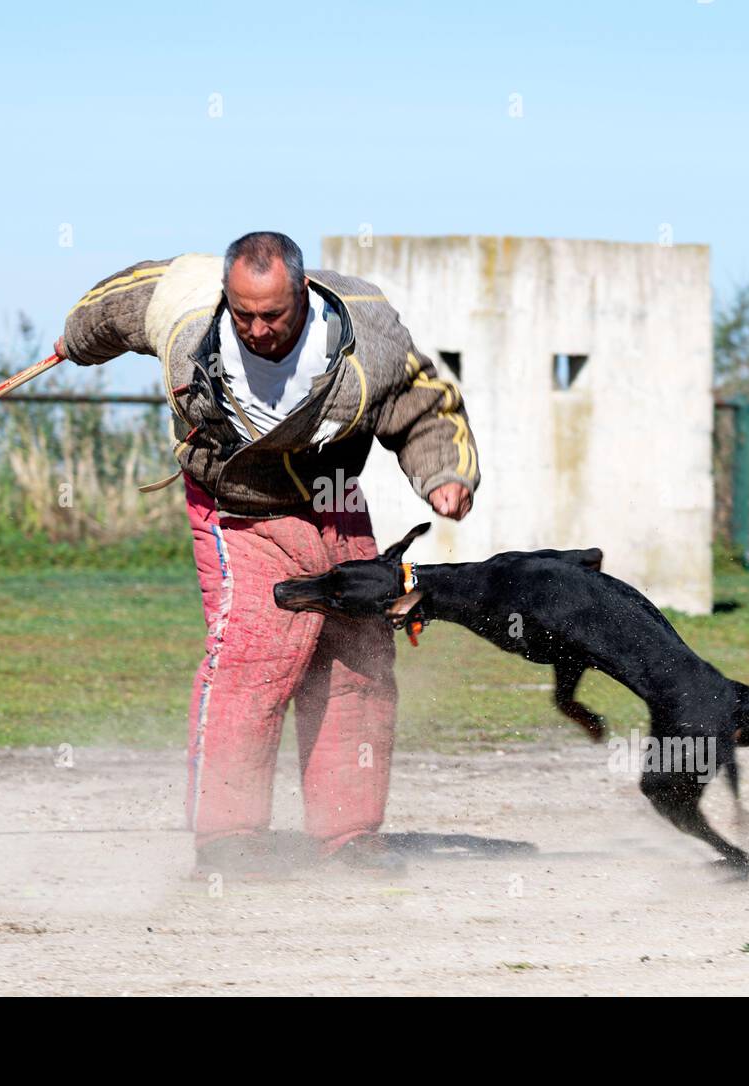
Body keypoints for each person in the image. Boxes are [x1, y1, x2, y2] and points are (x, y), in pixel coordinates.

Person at [55, 231, 479, 875]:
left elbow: (423, 405)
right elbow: (125, 301)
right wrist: (75, 341)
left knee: (357, 656)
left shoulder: (368, 334)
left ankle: (351, 836)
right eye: (243, 312)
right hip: (238, 512)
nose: (255, 328)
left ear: (303, 293)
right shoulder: (190, 317)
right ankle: (228, 839)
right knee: (257, 658)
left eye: (272, 315)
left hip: (334, 504)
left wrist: (444, 475)